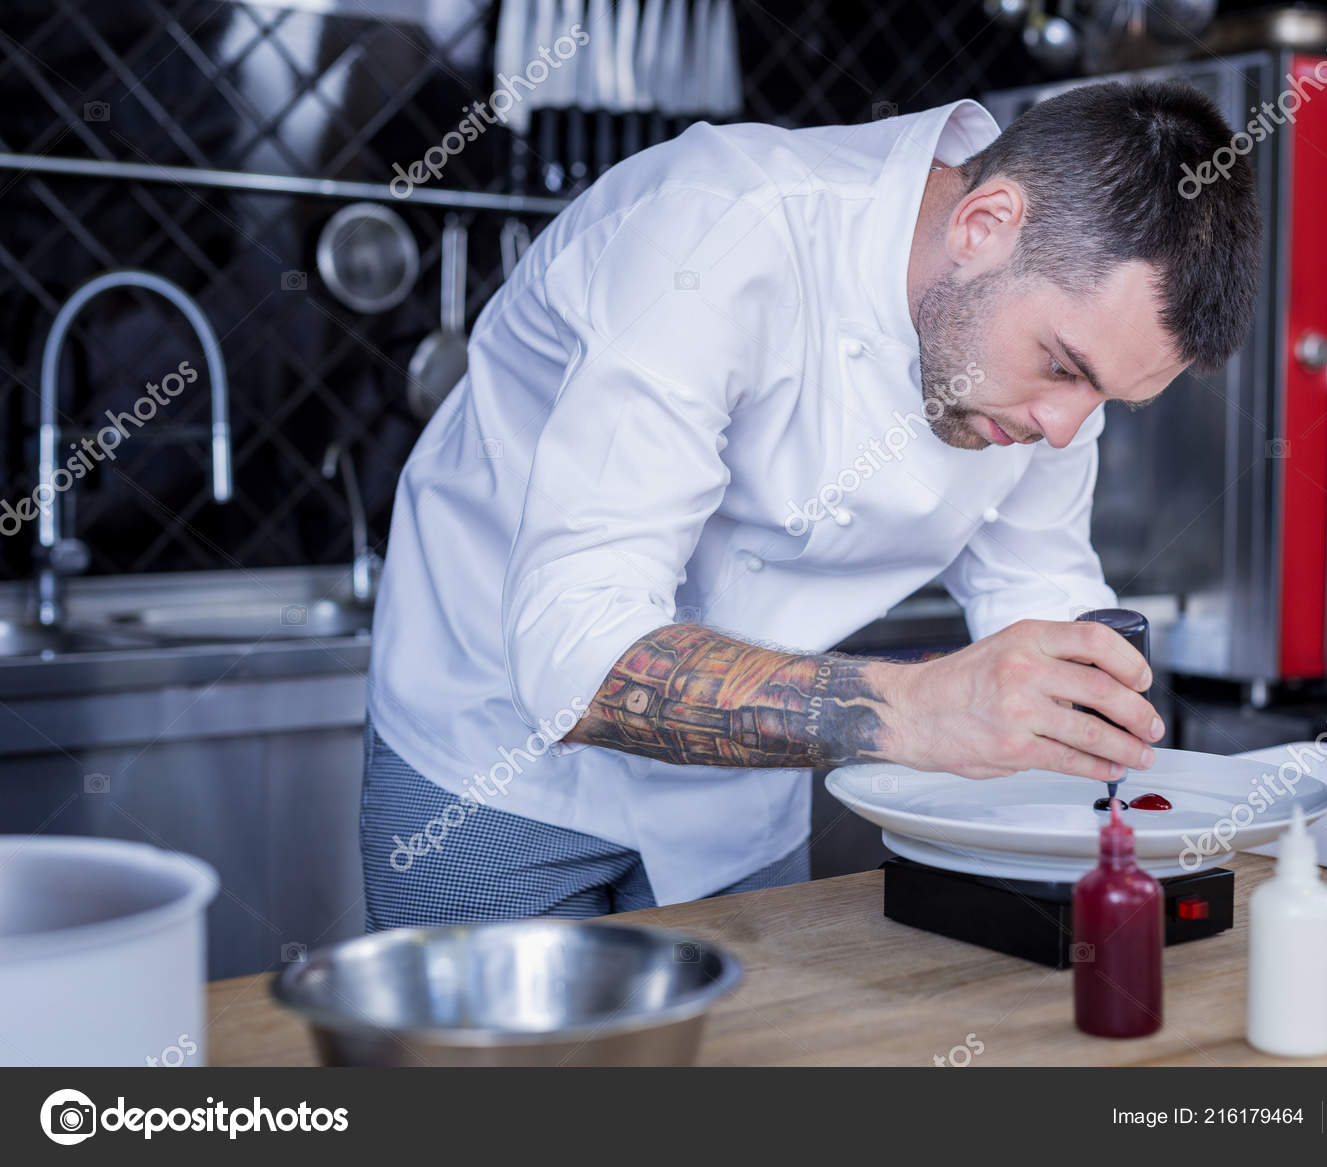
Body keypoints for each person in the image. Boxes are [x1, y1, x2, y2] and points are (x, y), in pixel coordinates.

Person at [362, 80, 1263, 927]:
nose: (1066, 428)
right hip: (493, 760)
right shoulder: (720, 227)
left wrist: (1106, 756)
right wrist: (911, 709)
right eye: (1063, 367)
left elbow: (1038, 586)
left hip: (743, 787)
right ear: (985, 225)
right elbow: (571, 651)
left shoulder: (1054, 373)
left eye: (1107, 398)